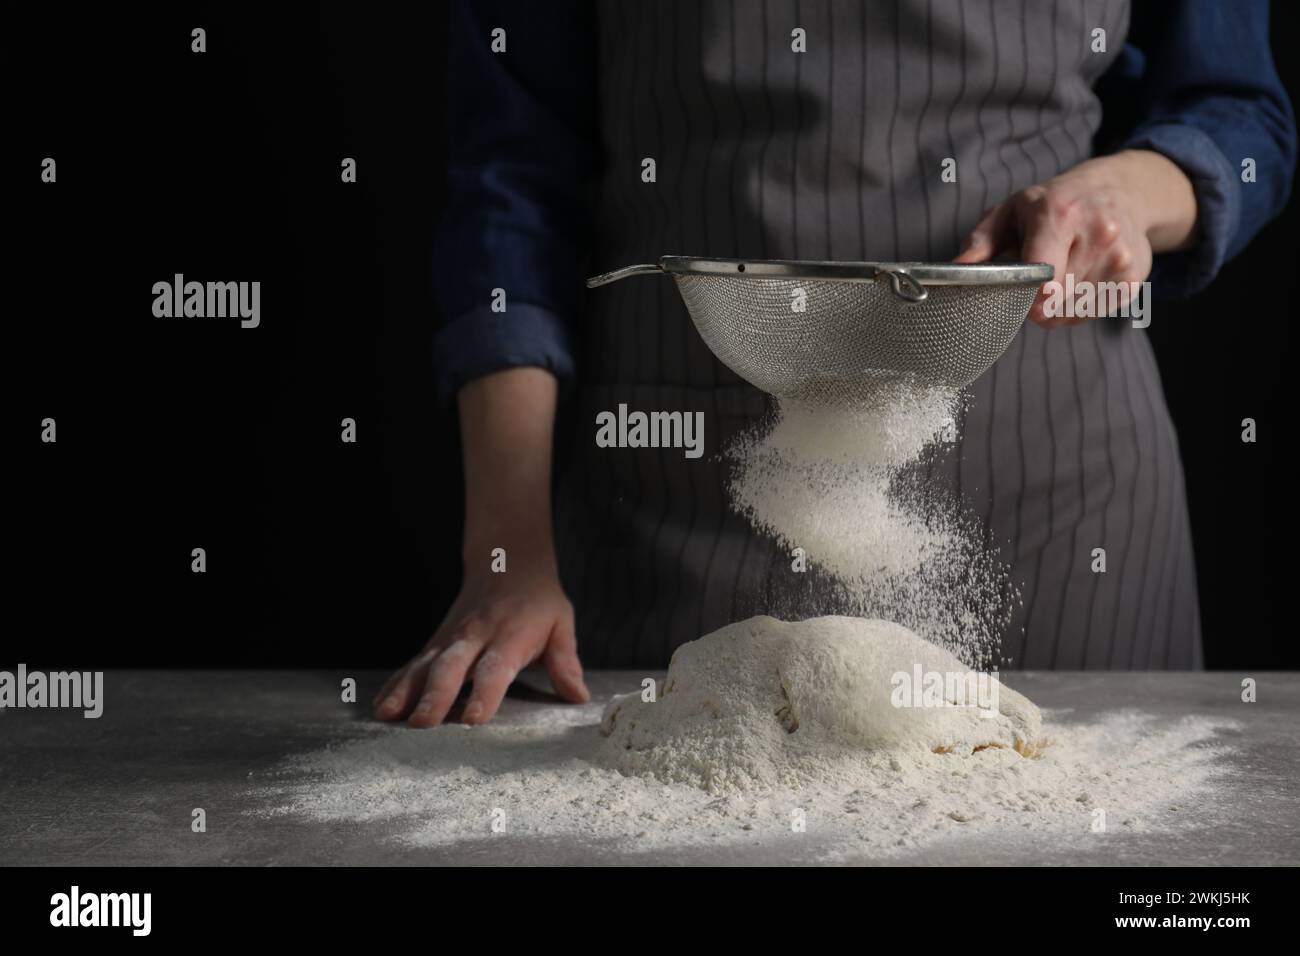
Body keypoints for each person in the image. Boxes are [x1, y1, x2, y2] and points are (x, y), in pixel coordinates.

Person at [374, 0, 1295, 727]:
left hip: (1058, 478)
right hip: (680, 490)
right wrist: (506, 550)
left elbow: (1237, 108)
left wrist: (1122, 191)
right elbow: (511, 177)